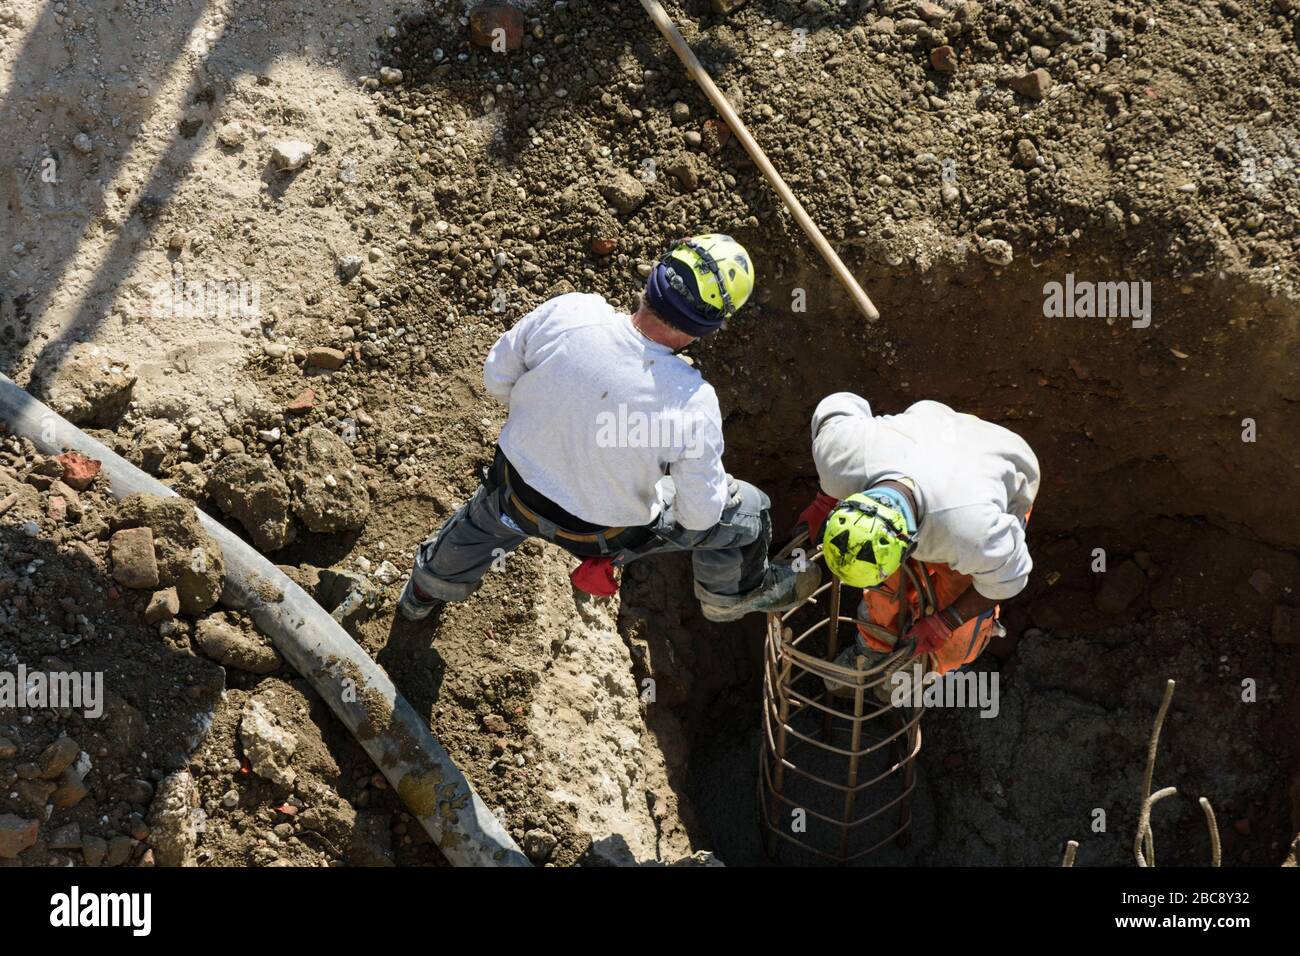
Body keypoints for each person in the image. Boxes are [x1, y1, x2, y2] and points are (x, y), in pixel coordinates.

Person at [399, 234, 820, 625]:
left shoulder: (571, 313)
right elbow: (699, 516)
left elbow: (496, 378)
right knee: (747, 510)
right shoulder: (692, 401)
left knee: (482, 524)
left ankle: (424, 591)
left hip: (514, 494)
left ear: (655, 278)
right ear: (707, 327)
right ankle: (729, 599)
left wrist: (560, 416)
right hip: (600, 537)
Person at [796, 393, 1039, 688]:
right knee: (886, 590)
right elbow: (838, 403)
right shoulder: (839, 458)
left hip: (1001, 461)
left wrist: (946, 622)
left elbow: (1009, 579)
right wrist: (825, 497)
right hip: (928, 432)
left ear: (911, 546)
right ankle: (873, 650)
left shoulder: (976, 534)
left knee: (955, 636)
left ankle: (922, 669)